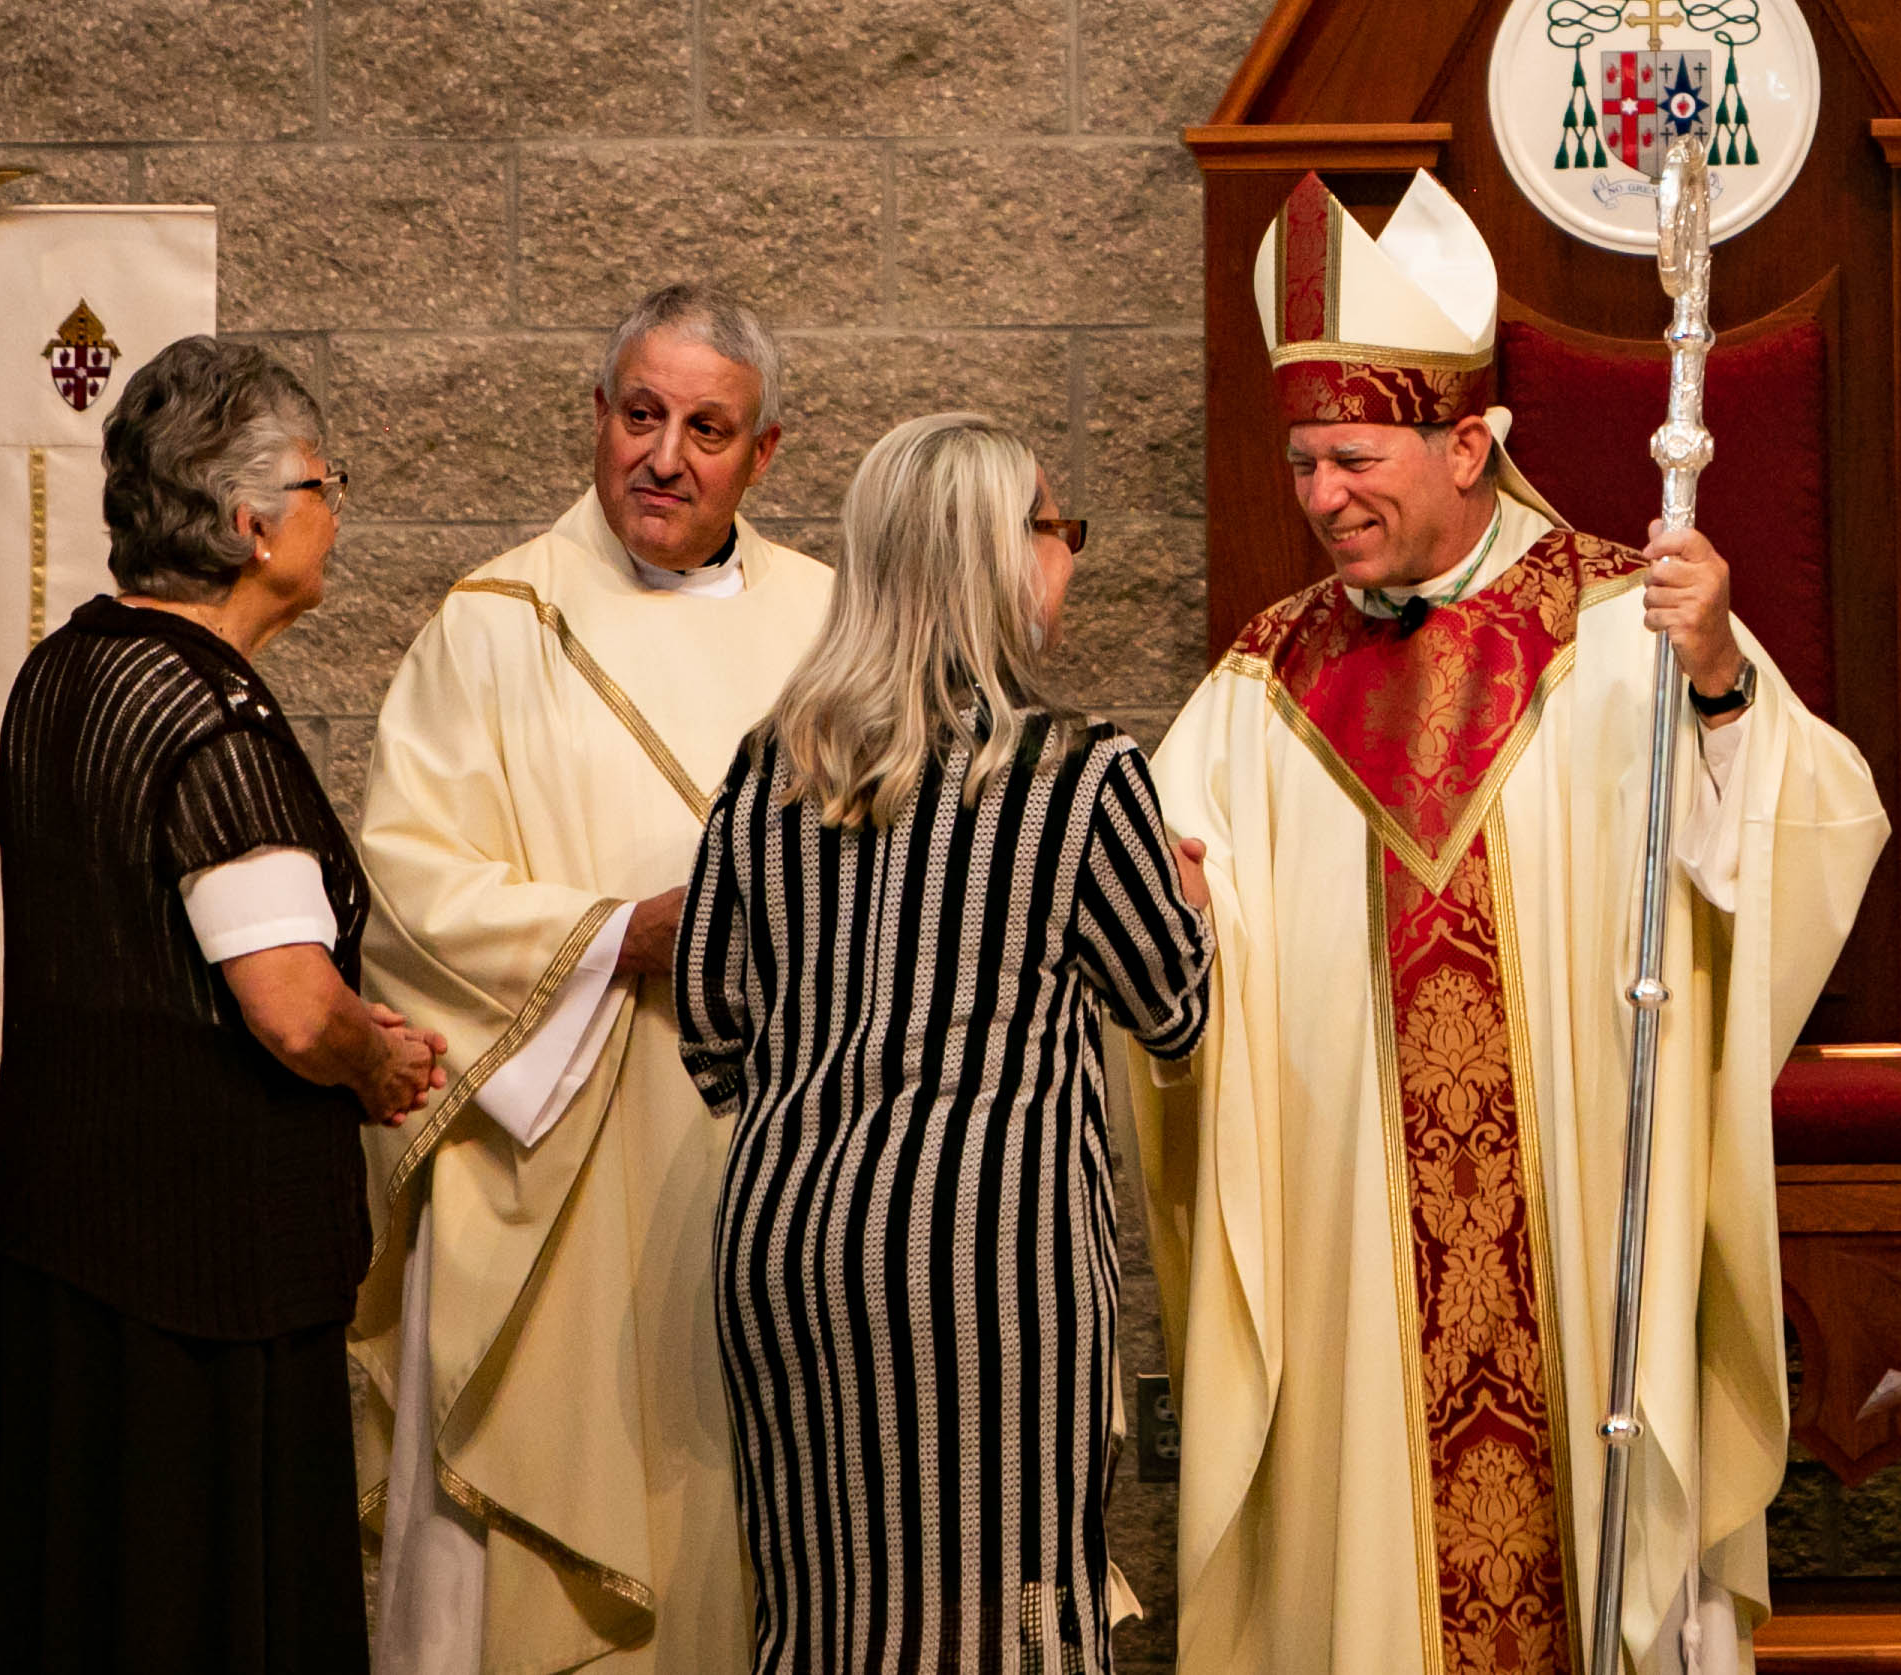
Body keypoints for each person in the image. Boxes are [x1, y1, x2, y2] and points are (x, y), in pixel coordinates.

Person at [1131, 170, 1890, 1675]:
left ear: (1468, 442)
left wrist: (1724, 679)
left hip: (1574, 1247)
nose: (1319, 496)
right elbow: (1160, 951)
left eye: (1352, 456)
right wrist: (1175, 935)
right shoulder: (1252, 691)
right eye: (1297, 463)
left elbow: (1814, 821)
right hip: (1356, 1270)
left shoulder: (1623, 633)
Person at [676, 412, 1214, 1675]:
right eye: (1054, 529)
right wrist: (1188, 904)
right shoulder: (1076, 772)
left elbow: (711, 1022)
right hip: (986, 1262)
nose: (1068, 556)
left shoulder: (767, 769)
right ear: (995, 555)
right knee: (1006, 1614)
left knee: (820, 1614)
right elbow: (1170, 1005)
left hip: (786, 1247)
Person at [352, 283, 834, 1675]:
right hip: (552, 1146)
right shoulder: (494, 620)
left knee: (743, 1524)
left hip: (773, 1147)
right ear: (596, 417)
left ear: (765, 453)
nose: (662, 455)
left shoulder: (831, 617)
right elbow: (410, 878)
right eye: (638, 414)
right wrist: (620, 935)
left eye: (705, 427)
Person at [0, 337, 446, 1675]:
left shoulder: (62, 672)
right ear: (249, 522)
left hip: (74, 1253)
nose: (333, 510)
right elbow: (290, 1006)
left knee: (80, 1589)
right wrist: (372, 1062)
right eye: (322, 482)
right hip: (203, 1285)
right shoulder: (209, 718)